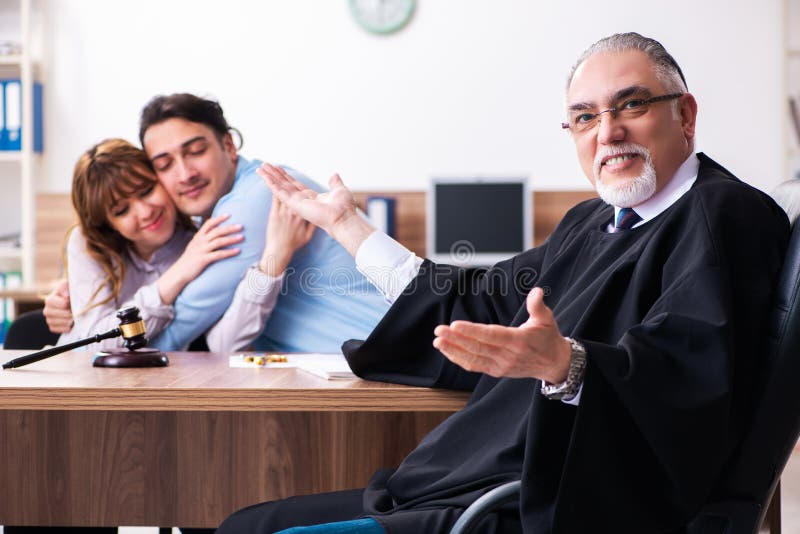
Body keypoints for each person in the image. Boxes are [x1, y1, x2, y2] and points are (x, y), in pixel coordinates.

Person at [217, 33, 790, 533]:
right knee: (246, 522)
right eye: (585, 117)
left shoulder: (724, 214)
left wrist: (568, 364)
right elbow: (480, 299)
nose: (608, 132)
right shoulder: (589, 222)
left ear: (685, 115)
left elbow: (688, 372)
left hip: (549, 503)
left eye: (632, 105)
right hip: (473, 483)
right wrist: (346, 225)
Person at [44, 94, 390, 351]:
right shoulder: (200, 232)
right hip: (340, 364)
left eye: (196, 151)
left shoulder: (246, 207)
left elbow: (178, 341)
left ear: (228, 145)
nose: (185, 173)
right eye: (164, 164)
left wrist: (271, 261)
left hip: (372, 362)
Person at [59, 138, 314, 353]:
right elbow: (93, 344)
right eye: (122, 210)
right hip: (82, 379)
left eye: (147, 190)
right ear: (107, 224)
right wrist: (176, 276)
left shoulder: (204, 238)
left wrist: (273, 260)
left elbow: (225, 345)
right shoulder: (87, 243)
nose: (145, 212)